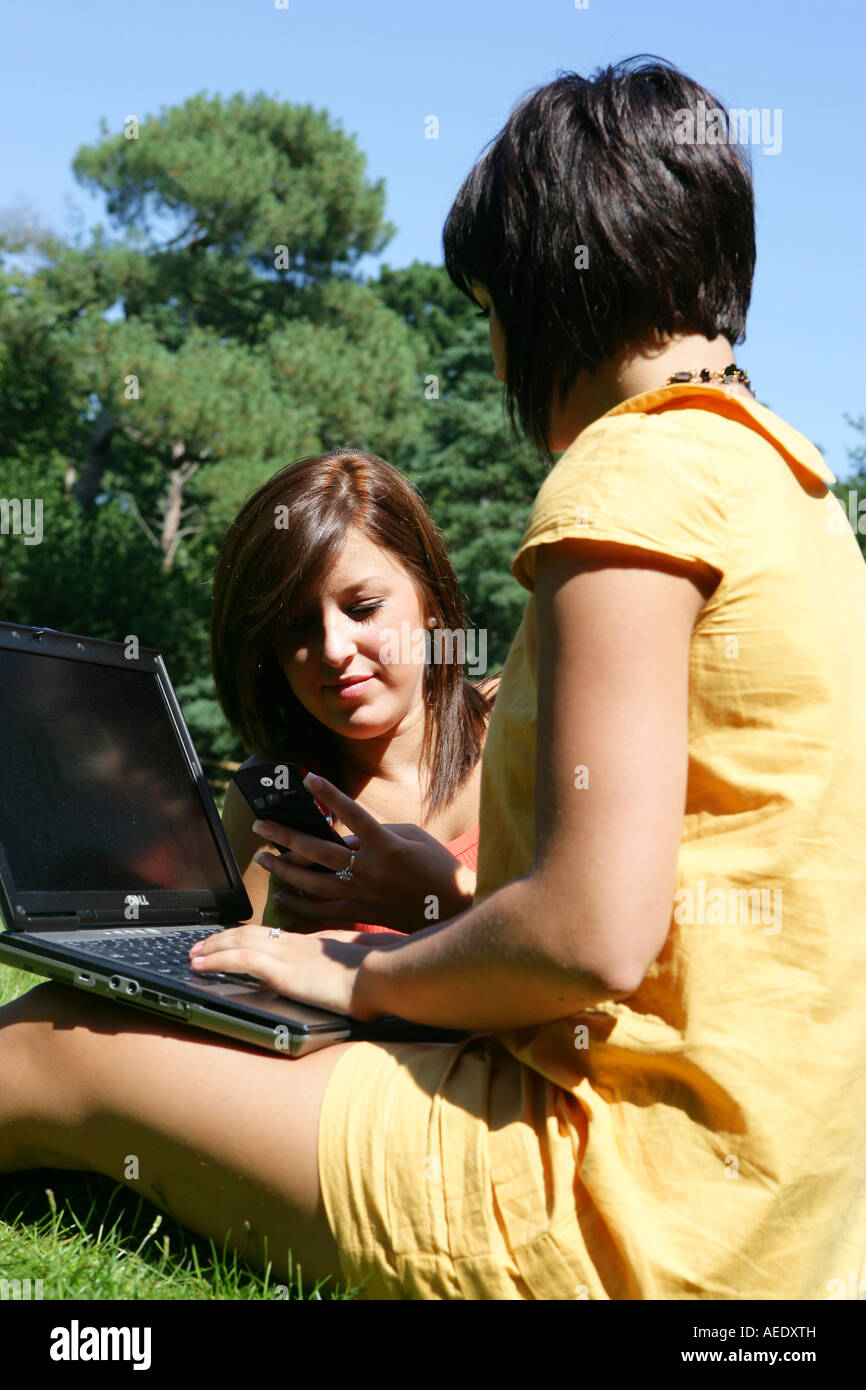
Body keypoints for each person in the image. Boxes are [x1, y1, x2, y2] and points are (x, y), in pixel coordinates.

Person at [2, 54, 865, 1302]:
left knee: (50, 1045)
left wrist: (352, 968)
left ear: (541, 289)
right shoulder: (796, 497)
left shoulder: (629, 478)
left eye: (492, 311)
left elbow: (585, 938)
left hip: (617, 1210)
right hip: (777, 1220)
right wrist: (440, 900)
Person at [209, 449, 501, 937]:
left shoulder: (528, 724)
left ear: (430, 596)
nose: (333, 648)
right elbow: (223, 988)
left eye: (363, 608)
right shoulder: (274, 790)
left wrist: (446, 905)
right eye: (296, 625)